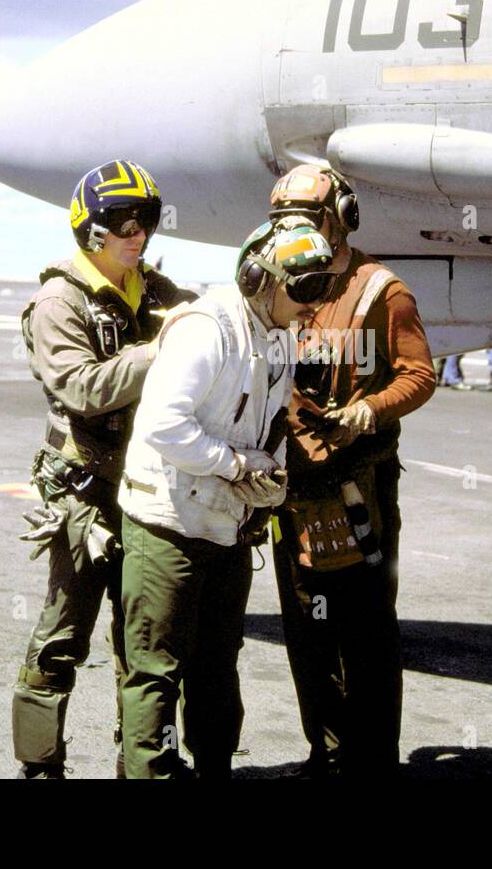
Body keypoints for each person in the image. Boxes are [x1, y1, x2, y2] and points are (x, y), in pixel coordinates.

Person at [117, 218, 335, 778]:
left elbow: (271, 431)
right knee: (156, 672)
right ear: (259, 278)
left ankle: (216, 771)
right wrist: (235, 465)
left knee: (217, 666)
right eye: (305, 289)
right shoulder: (206, 329)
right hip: (167, 524)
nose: (315, 304)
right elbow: (163, 428)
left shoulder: (279, 340)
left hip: (226, 527)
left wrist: (271, 481)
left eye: (324, 288)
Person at [10, 160, 194, 779]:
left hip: (148, 488)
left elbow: (209, 333)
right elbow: (83, 389)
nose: (137, 232)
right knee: (63, 636)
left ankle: (138, 765)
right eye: (122, 221)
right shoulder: (59, 301)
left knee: (143, 641)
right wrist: (162, 349)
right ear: (90, 226)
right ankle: (40, 767)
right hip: (83, 493)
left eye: (145, 219)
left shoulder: (162, 294)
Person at [267, 163, 436, 778]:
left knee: (365, 630)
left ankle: (372, 763)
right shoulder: (277, 288)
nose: (294, 238)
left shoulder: (380, 291)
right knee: (308, 629)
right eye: (283, 225)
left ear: (339, 220)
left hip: (359, 486)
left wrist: (368, 410)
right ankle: (328, 753)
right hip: (295, 491)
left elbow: (420, 375)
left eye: (306, 223)